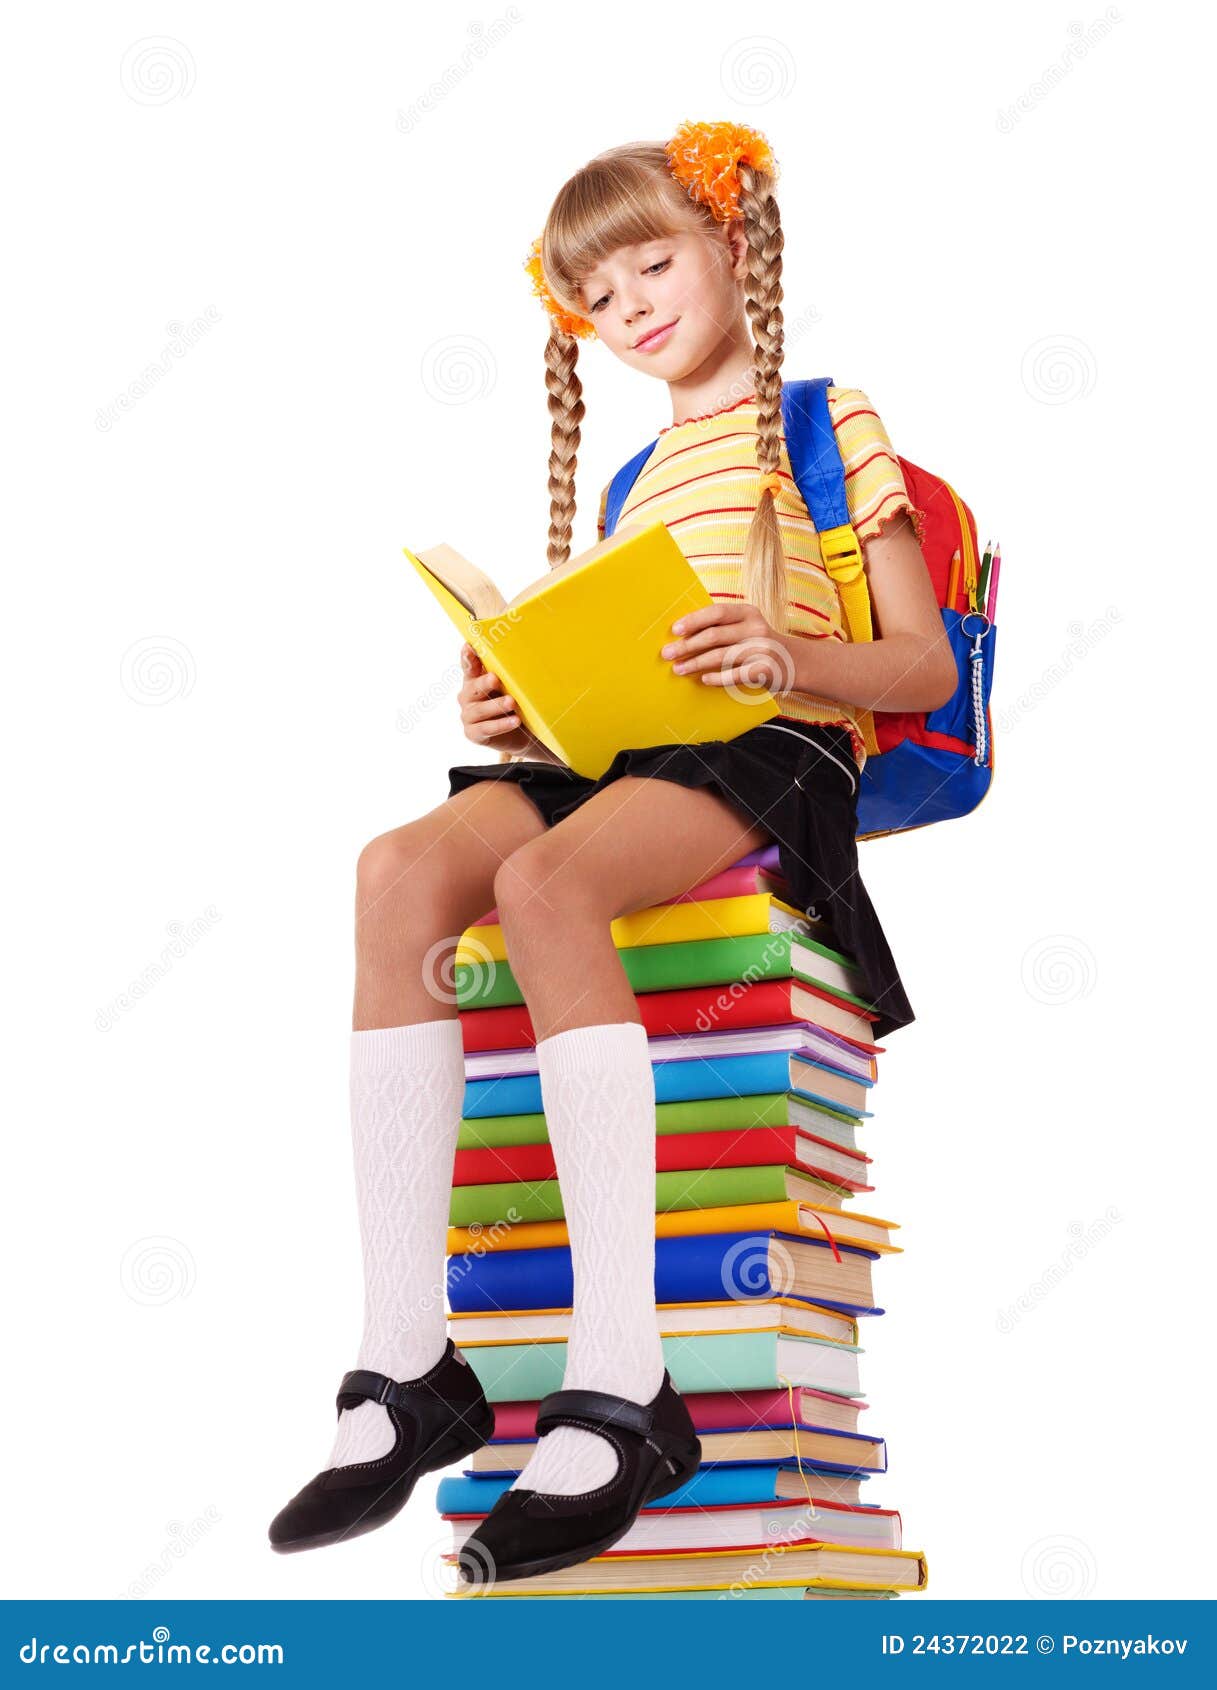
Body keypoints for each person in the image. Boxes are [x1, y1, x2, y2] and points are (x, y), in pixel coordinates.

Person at [268, 119, 955, 1587]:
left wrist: (786, 650)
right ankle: (406, 1362)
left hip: (771, 745)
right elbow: (607, 697)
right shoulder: (632, 478)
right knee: (397, 868)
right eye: (600, 292)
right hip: (627, 751)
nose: (634, 303)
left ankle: (624, 1375)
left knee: (543, 886)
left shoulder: (827, 423)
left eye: (657, 259)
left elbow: (921, 669)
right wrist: (512, 709)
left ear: (734, 248)